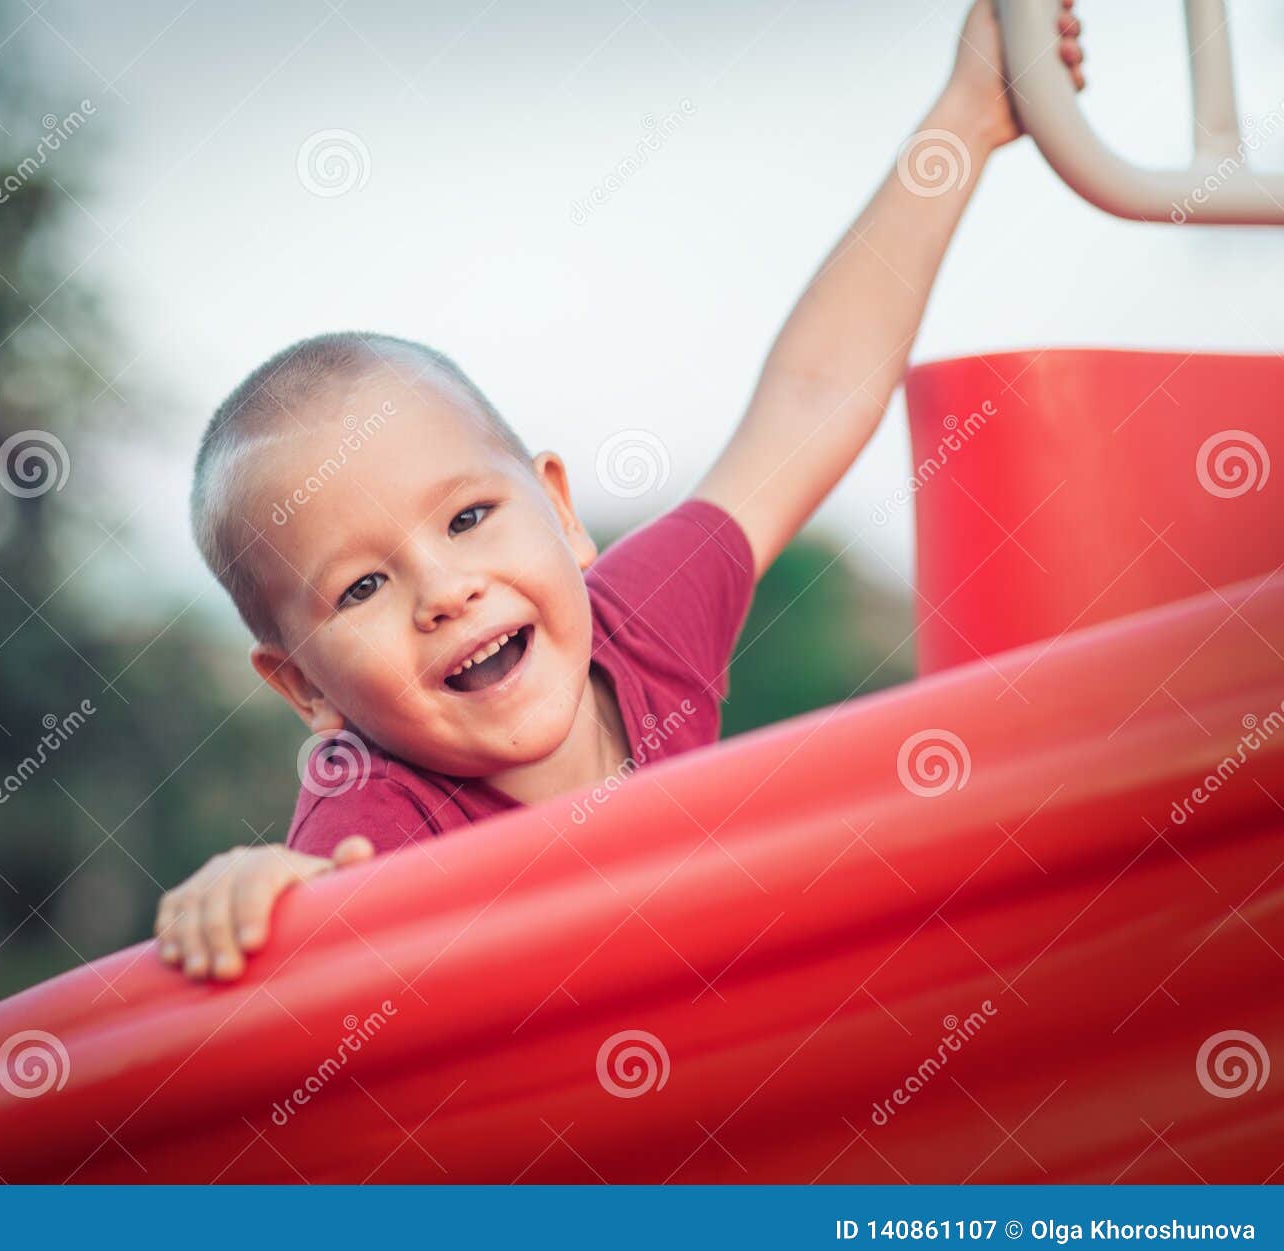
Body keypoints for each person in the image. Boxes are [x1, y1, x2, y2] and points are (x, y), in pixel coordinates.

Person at [156, 0, 1087, 981]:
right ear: (302, 687)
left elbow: (808, 401)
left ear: (560, 510)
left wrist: (968, 114)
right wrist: (260, 889)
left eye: (469, 518)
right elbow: (312, 918)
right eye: (360, 589)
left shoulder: (637, 624)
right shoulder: (372, 819)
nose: (445, 593)